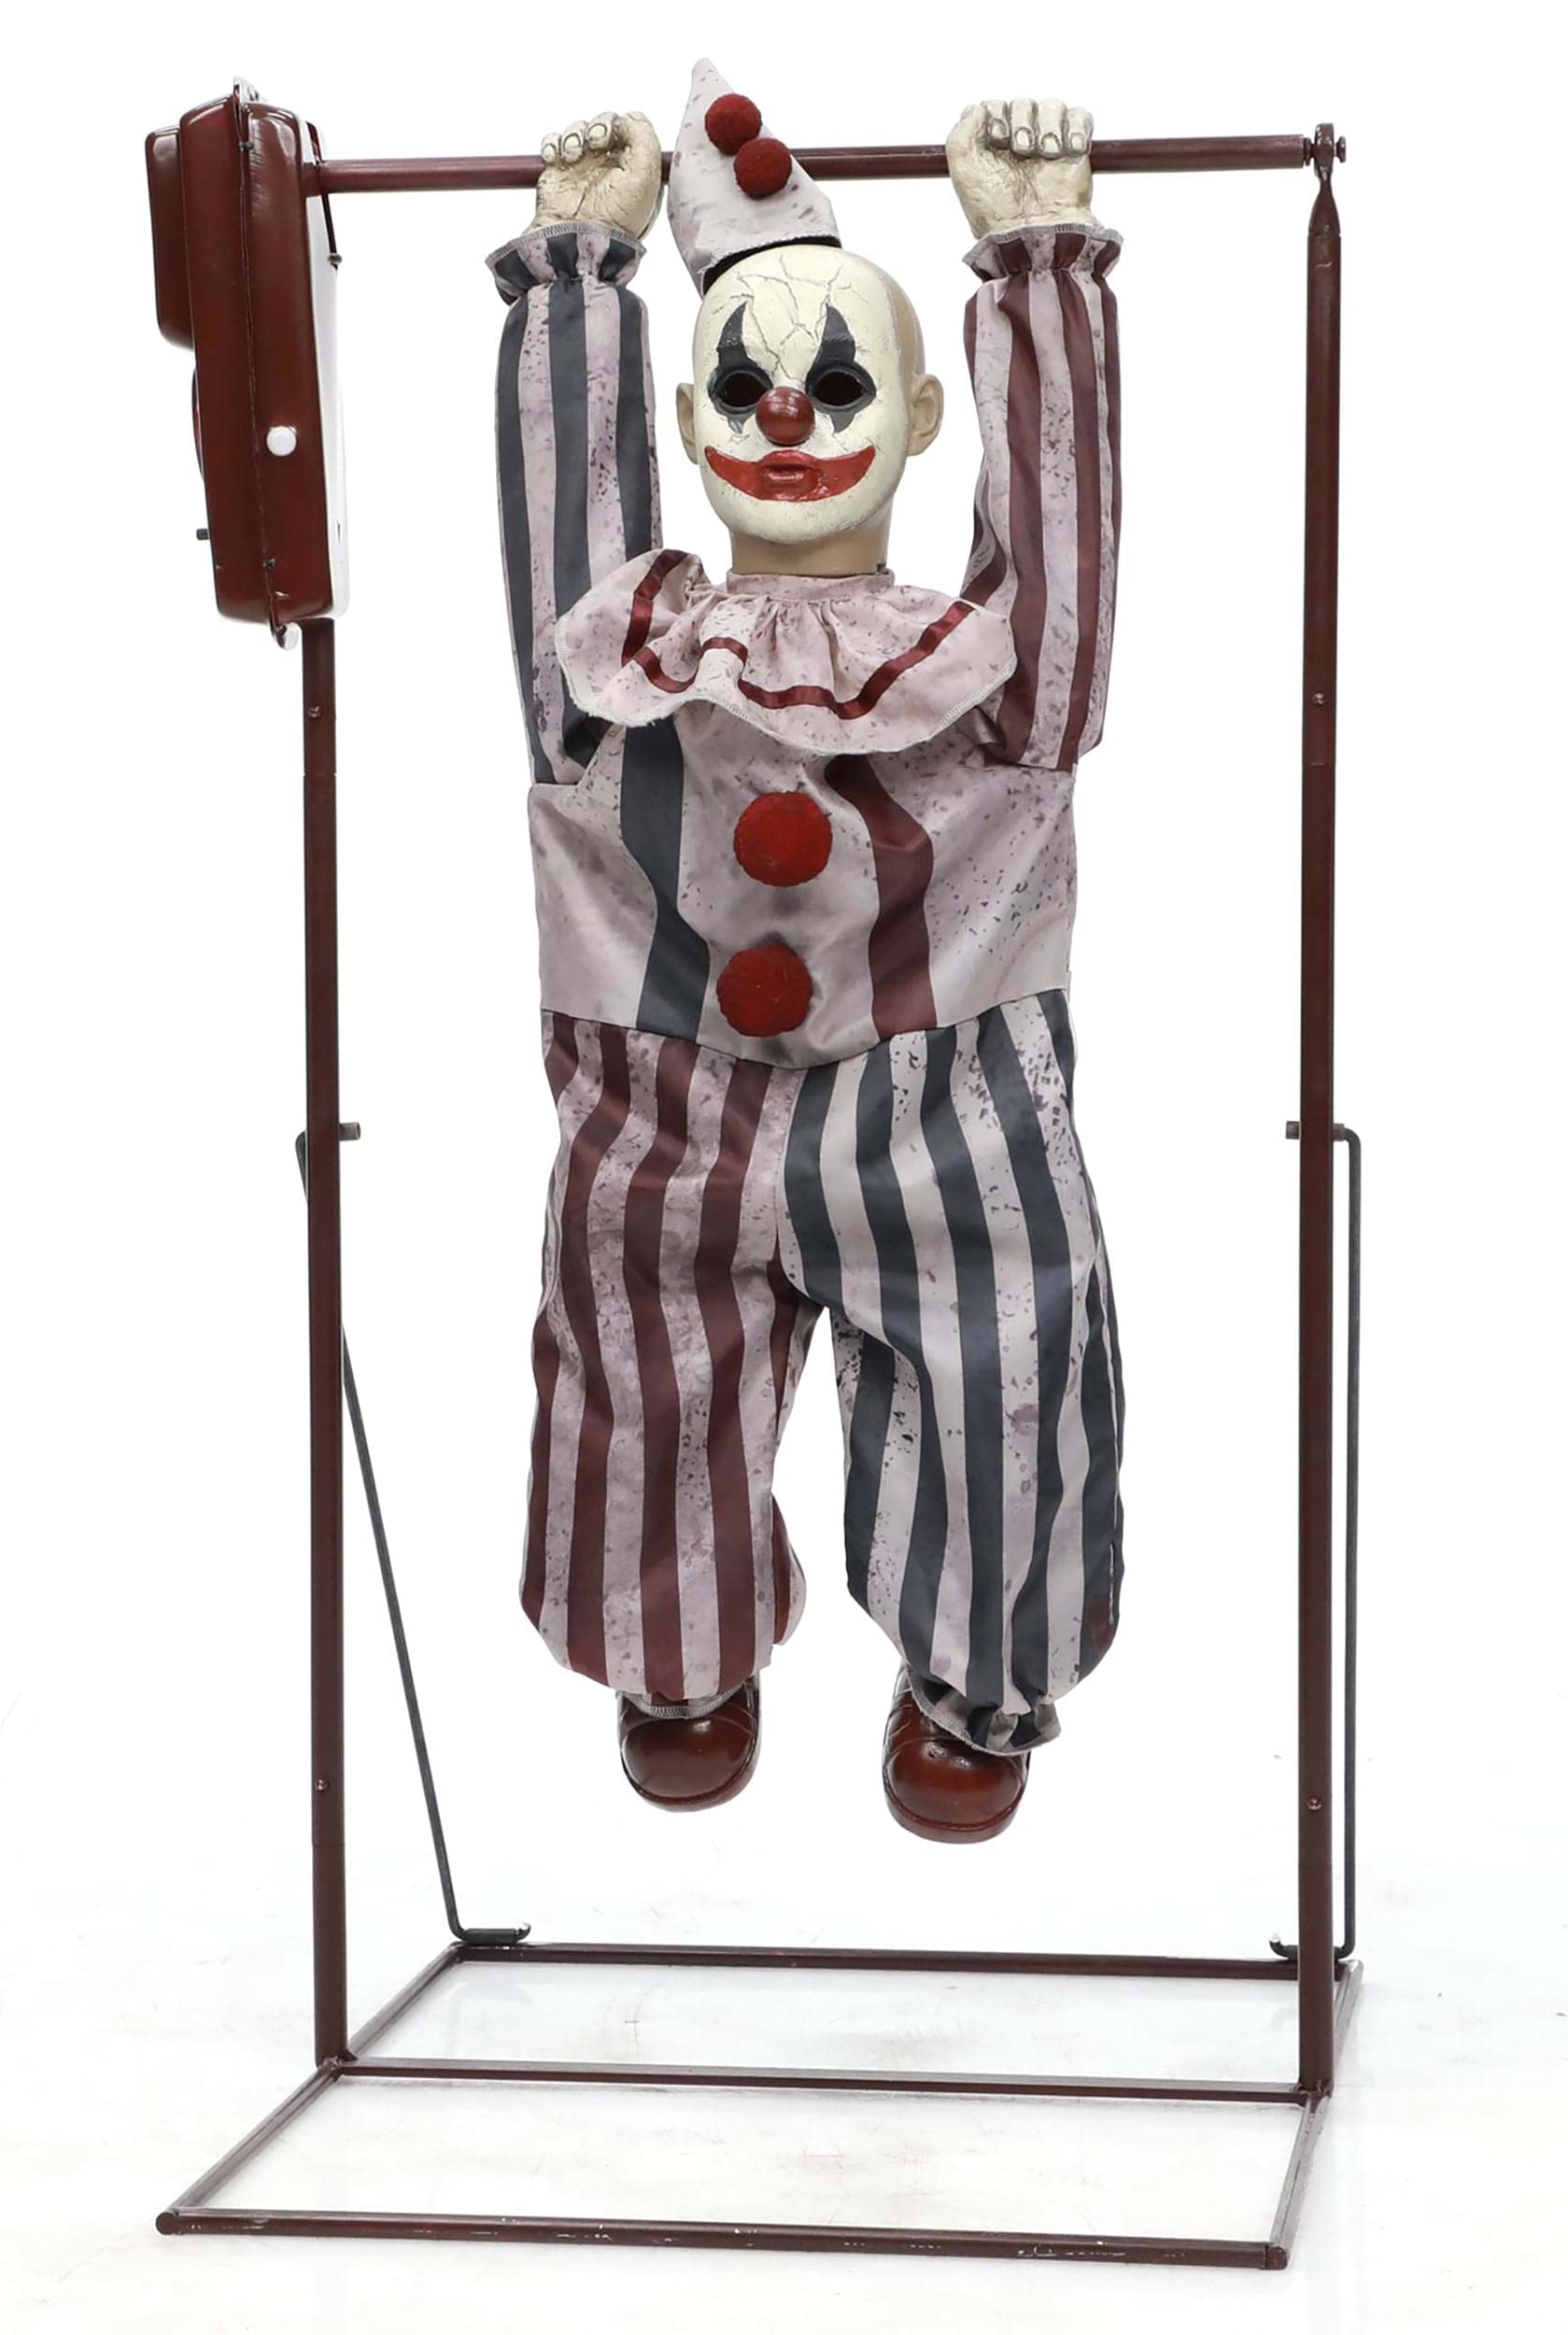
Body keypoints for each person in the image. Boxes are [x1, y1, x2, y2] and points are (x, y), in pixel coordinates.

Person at [489, 62, 1123, 1842]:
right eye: (742, 387)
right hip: (657, 1102)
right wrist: (575, 280)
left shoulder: (988, 668)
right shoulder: (617, 650)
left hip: (951, 1096)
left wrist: (1036, 269)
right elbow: (560, 527)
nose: (786, 415)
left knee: (1005, 1370)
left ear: (919, 415)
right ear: (688, 422)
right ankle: (670, 1656)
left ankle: (980, 1681)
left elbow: (1060, 549)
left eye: (837, 384)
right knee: (635, 1380)